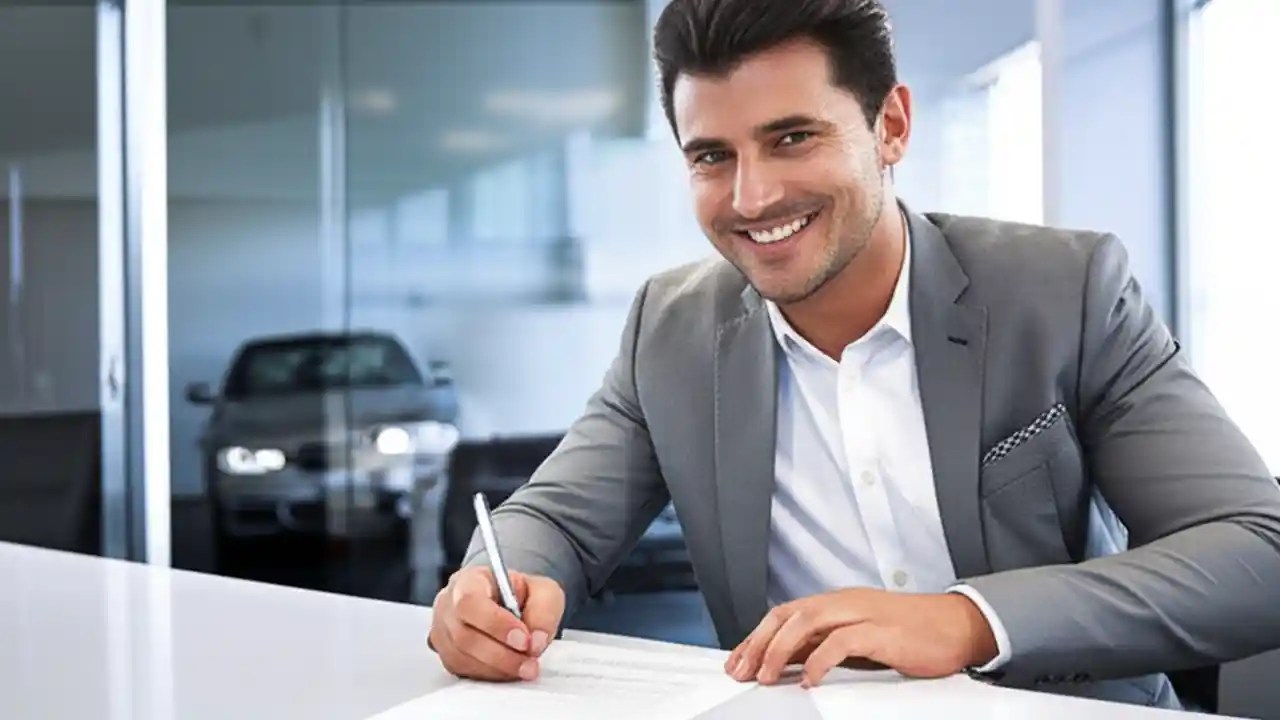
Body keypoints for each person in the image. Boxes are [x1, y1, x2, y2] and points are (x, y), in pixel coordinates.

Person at [427, 0, 1280, 709]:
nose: (751, 196)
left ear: (892, 125)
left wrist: (967, 620)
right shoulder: (670, 330)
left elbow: (1258, 552)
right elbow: (552, 523)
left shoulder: (1064, 291)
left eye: (793, 137)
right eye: (712, 156)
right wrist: (493, 590)